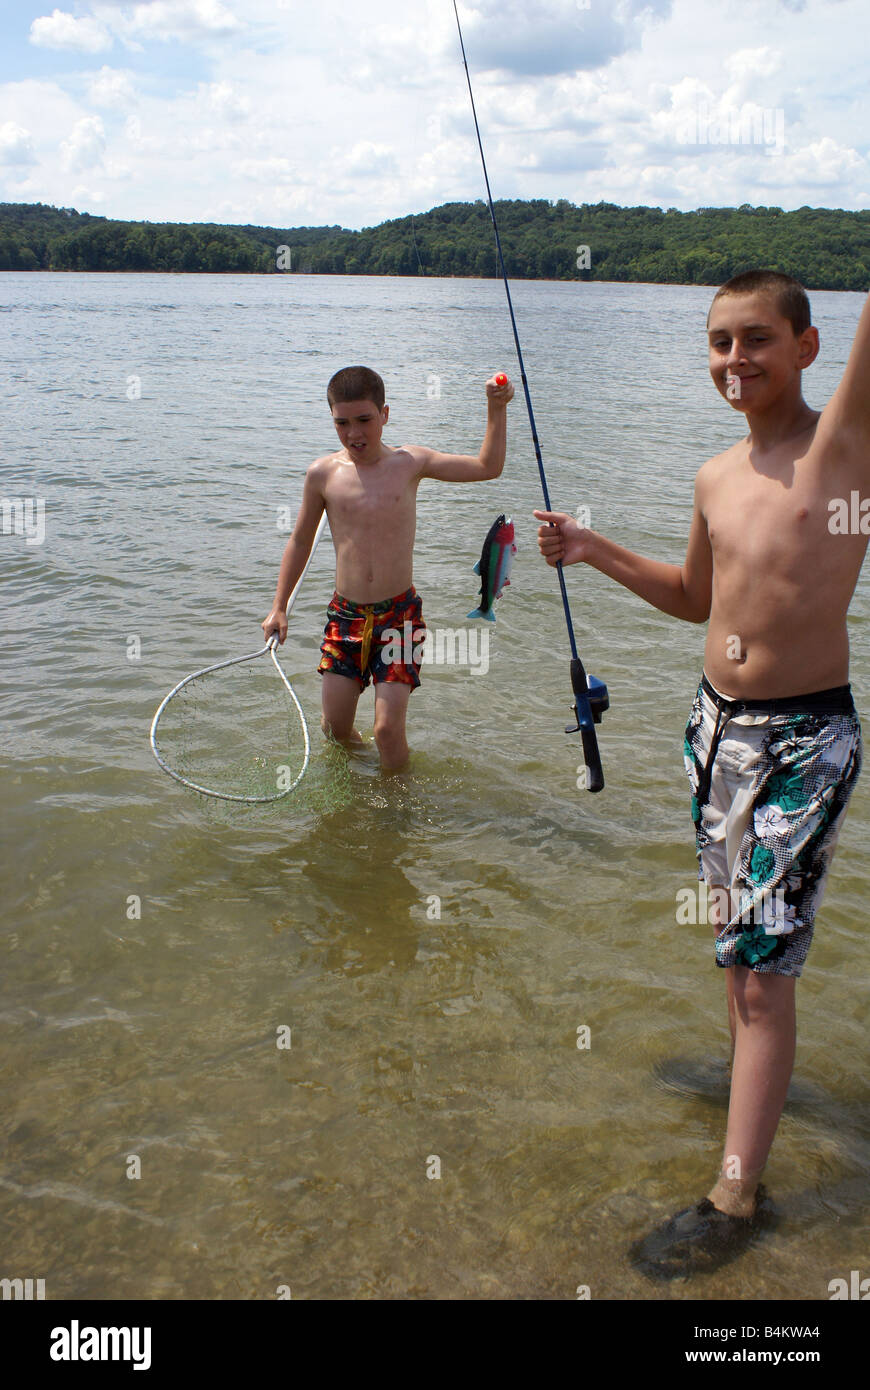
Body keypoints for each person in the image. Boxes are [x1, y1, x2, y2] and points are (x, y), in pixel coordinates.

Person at [536, 270, 869, 1277]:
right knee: (741, 959)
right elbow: (693, 597)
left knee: (762, 979)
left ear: (811, 346)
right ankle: (755, 1099)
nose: (736, 360)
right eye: (719, 342)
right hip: (712, 732)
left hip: (800, 743)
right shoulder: (715, 473)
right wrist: (591, 549)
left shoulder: (845, 448)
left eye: (758, 339)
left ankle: (736, 1193)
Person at [263, 365, 514, 772]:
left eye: (364, 420)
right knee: (334, 730)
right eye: (341, 423)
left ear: (385, 414)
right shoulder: (322, 474)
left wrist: (495, 407)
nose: (353, 433)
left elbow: (488, 467)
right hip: (345, 617)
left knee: (387, 731)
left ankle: (396, 813)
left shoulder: (409, 463)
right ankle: (358, 797)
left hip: (399, 617)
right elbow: (299, 541)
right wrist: (279, 607)